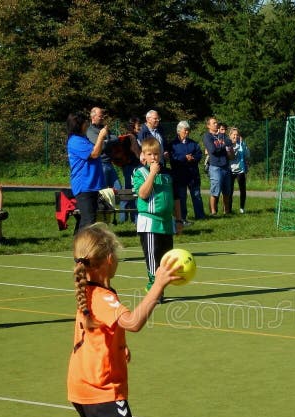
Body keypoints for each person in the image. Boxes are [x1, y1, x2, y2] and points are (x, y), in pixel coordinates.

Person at [44, 223, 200, 417]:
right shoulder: (101, 296)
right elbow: (133, 322)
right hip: (100, 386)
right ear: (106, 261)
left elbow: (102, 331)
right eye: (115, 253)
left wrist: (119, 345)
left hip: (82, 384)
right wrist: (158, 286)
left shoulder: (90, 292)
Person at [133, 137, 182, 294]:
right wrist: (152, 174)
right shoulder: (139, 172)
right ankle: (153, 290)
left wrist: (179, 219)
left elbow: (176, 198)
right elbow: (142, 193)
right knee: (153, 262)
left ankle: (158, 290)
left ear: (160, 154)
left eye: (156, 154)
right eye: (150, 154)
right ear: (144, 155)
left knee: (166, 262)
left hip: (167, 222)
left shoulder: (168, 174)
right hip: (150, 223)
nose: (153, 157)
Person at [67, 112, 109, 234]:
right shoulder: (75, 141)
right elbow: (94, 154)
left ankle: (83, 246)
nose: (87, 124)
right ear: (79, 125)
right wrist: (101, 136)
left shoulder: (83, 139)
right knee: (88, 221)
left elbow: (97, 151)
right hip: (84, 185)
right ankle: (82, 248)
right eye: (85, 122)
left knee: (89, 219)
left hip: (91, 185)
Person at [170, 120, 206, 223]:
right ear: (179, 131)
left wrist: (193, 158)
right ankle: (182, 217)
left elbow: (199, 155)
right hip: (180, 175)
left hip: (193, 174)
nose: (187, 132)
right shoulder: (173, 144)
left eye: (188, 130)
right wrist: (184, 157)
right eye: (185, 130)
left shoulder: (193, 143)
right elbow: (172, 158)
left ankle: (200, 216)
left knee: (196, 195)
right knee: (182, 197)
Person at [202, 116, 234, 215]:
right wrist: (222, 145)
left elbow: (230, 142)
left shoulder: (221, 135)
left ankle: (227, 211)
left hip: (225, 166)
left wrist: (221, 144)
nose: (217, 124)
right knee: (215, 190)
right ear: (208, 126)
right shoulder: (207, 136)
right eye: (214, 123)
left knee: (227, 191)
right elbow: (212, 150)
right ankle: (213, 212)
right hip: (215, 167)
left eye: (217, 123)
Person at [86, 107, 121, 190]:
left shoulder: (104, 128)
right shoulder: (90, 131)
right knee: (103, 191)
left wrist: (104, 138)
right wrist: (106, 140)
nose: (102, 118)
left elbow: (116, 139)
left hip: (109, 163)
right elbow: (102, 146)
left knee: (119, 189)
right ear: (93, 117)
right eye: (100, 116)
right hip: (101, 164)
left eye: (103, 116)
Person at [229, 127, 250, 214]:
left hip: (240, 170)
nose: (235, 136)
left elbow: (247, 155)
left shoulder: (241, 144)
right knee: (229, 190)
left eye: (237, 135)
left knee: (243, 190)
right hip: (230, 170)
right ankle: (228, 209)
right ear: (230, 135)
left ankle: (242, 208)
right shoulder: (227, 143)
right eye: (234, 134)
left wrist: (243, 144)